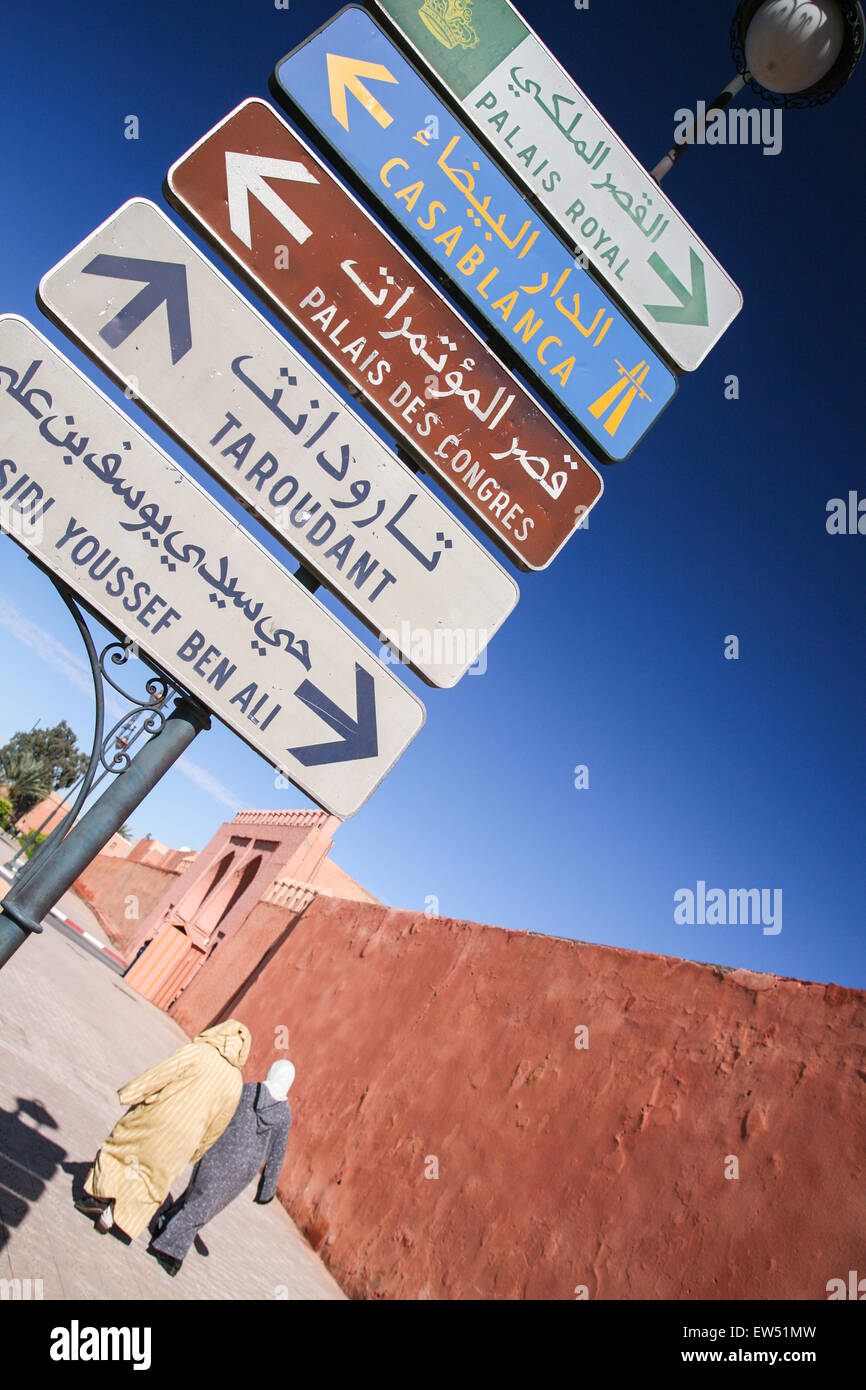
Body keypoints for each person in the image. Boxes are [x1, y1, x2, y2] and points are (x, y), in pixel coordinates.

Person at [74, 1019, 252, 1242]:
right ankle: (117, 1215)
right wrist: (198, 1151)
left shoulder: (199, 1052)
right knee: (153, 1179)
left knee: (120, 1149)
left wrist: (131, 1092)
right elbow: (220, 1123)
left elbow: (161, 1074)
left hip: (157, 1118)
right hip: (185, 1140)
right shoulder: (235, 1082)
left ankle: (101, 1198)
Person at [147, 1059, 294, 1277]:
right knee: (204, 1206)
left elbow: (223, 1113)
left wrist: (200, 1136)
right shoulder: (284, 1114)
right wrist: (266, 1191)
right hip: (242, 1172)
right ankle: (169, 1249)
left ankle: (166, 1226)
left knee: (198, 1196)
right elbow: (277, 1155)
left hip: (219, 1151)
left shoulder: (250, 1090)